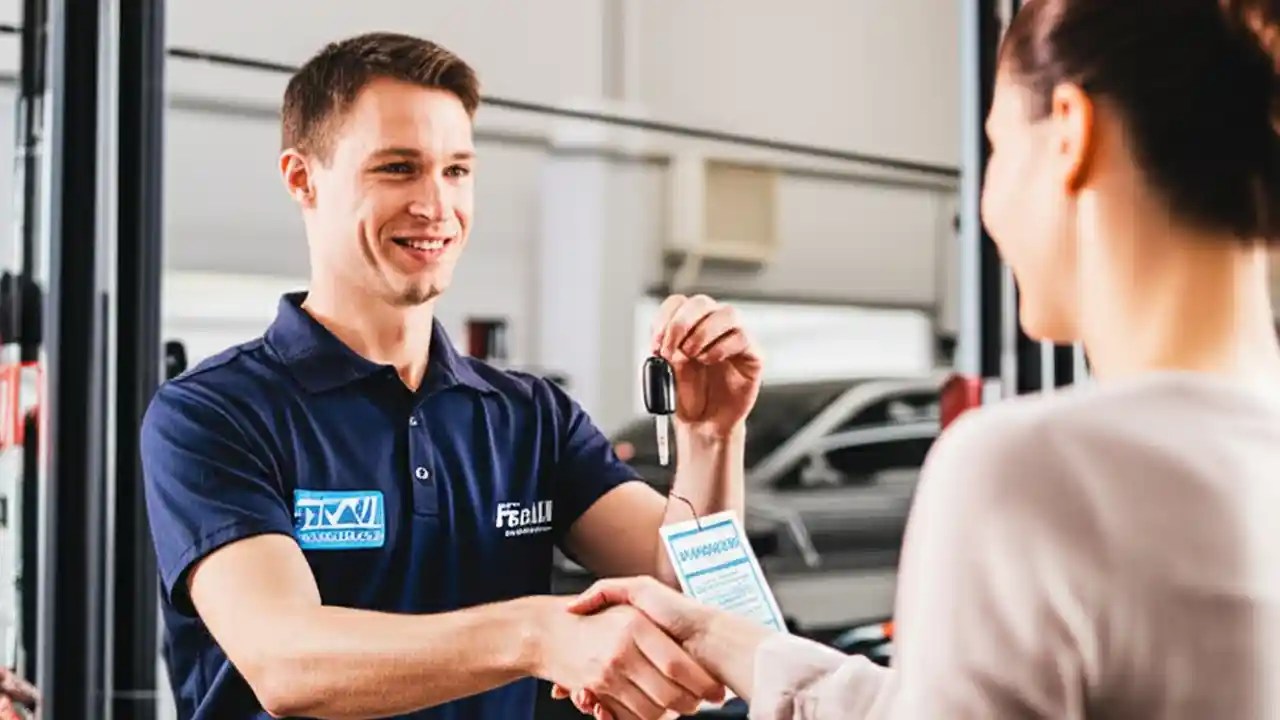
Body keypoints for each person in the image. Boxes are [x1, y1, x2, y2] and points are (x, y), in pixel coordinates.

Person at [557, 0, 1280, 717]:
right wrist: (722, 637)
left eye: (998, 149)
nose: (988, 207)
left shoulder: (1031, 468)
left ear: (1070, 133)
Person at [140, 31, 763, 720]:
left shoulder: (530, 417)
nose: (436, 205)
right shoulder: (214, 414)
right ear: (301, 177)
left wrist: (710, 437)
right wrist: (536, 634)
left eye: (457, 170)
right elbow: (288, 662)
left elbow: (693, 597)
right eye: (398, 168)